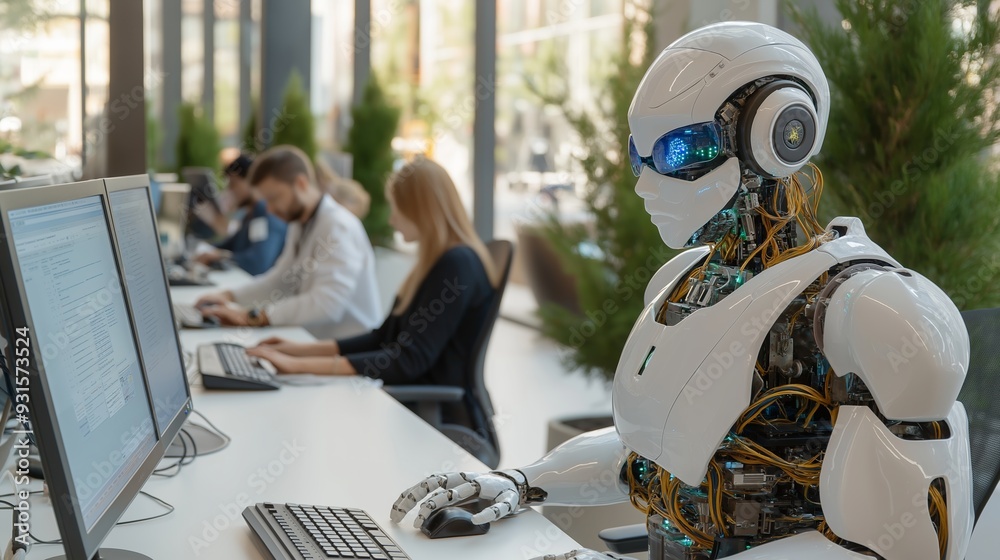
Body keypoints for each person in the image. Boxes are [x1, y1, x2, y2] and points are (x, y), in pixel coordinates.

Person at [387, 22, 974, 560]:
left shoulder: (867, 309)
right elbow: (646, 459)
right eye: (638, 155)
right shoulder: (685, 280)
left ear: (778, 136)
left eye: (676, 152)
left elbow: (906, 550)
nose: (645, 181)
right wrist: (523, 482)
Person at [245, 158, 499, 395]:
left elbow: (408, 361)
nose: (391, 219)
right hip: (406, 404)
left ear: (419, 210)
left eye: (396, 209)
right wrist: (298, 351)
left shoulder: (457, 264)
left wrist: (298, 365)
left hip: (430, 416)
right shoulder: (435, 263)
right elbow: (382, 338)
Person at [196, 145, 382, 339]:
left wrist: (255, 317)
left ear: (301, 183)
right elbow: (281, 280)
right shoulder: (299, 223)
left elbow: (328, 304)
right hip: (314, 341)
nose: (268, 209)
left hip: (348, 353)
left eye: (274, 198)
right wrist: (228, 296)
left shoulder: (338, 226)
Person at [195, 154, 287, 275]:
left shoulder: (264, 213)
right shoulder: (251, 214)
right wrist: (205, 251)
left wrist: (220, 256)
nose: (230, 190)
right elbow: (230, 245)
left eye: (233, 184)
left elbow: (258, 262)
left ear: (251, 181)